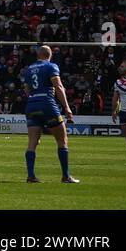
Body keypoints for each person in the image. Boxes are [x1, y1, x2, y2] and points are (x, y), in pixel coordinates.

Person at [21, 45, 79, 184]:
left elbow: (27, 90)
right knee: (62, 140)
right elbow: (58, 87)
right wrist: (67, 108)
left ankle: (31, 176)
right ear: (50, 55)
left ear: (38, 55)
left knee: (32, 143)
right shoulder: (51, 66)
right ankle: (66, 176)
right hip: (47, 104)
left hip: (31, 105)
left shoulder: (29, 69)